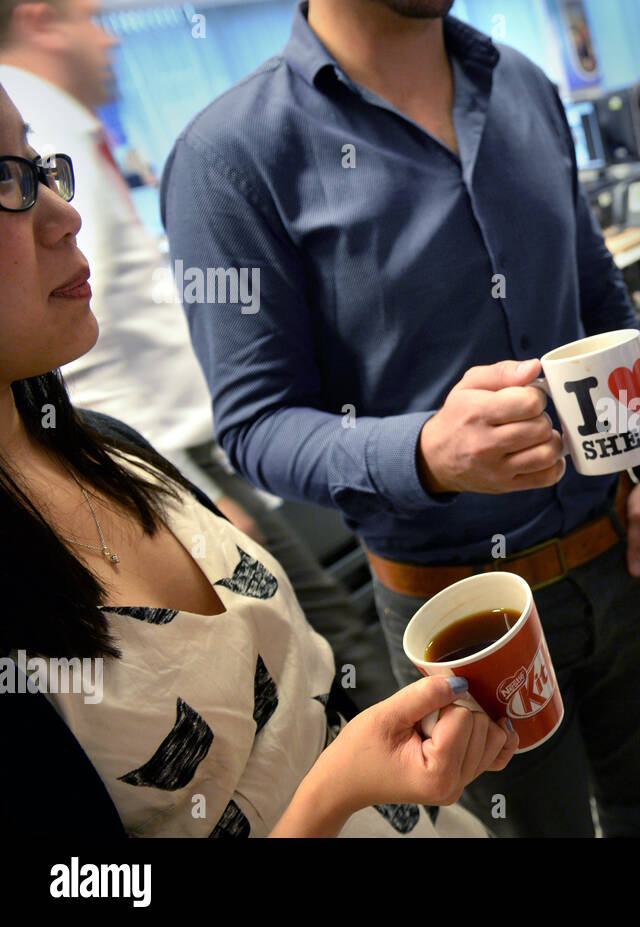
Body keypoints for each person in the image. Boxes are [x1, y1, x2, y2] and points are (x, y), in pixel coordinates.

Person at [160, 0, 640, 838]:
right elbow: (257, 423)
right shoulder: (229, 159)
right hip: (461, 612)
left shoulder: (520, 82)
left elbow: (591, 288)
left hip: (622, 550)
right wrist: (426, 452)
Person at [0, 85, 517, 837]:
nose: (63, 213)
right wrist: (332, 794)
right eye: (4, 183)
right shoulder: (231, 153)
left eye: (39, 166)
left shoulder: (107, 445)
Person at [0, 0, 398, 711]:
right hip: (156, 457)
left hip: (152, 453)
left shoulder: (58, 132)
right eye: (95, 19)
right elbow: (79, 370)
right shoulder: (30, 118)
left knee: (313, 654)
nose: (110, 41)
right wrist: (185, 491)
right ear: (41, 19)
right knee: (332, 664)